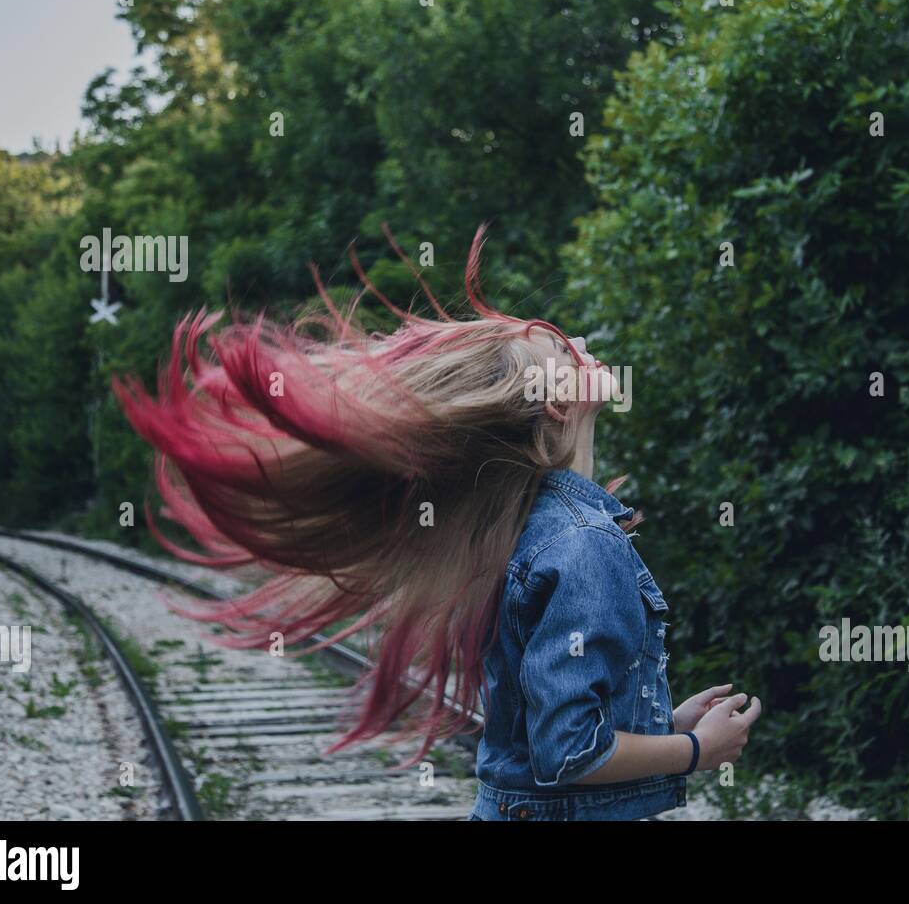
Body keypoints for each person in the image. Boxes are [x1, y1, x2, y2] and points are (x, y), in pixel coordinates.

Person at [113, 224, 761, 821]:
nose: (583, 344)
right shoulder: (583, 542)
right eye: (563, 349)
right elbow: (569, 754)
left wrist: (667, 722)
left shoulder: (528, 532)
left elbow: (553, 724)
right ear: (557, 404)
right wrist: (695, 751)